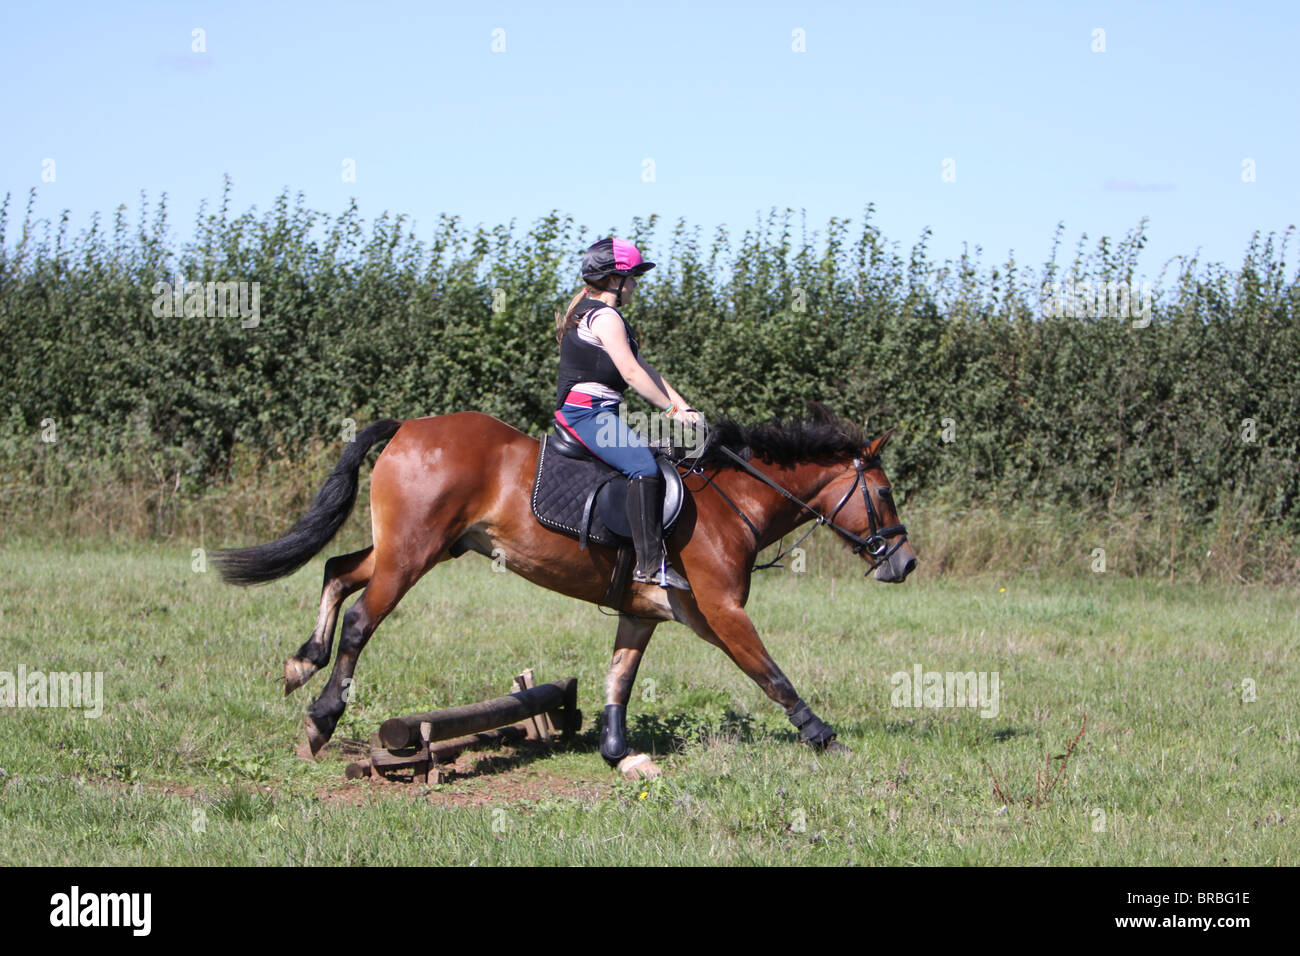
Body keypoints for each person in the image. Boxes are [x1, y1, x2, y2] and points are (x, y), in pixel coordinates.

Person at [553, 237, 702, 590]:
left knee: (658, 452)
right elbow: (632, 375)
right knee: (643, 466)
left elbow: (645, 367)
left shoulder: (595, 311)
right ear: (614, 280)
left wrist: (684, 405)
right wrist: (670, 410)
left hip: (598, 413)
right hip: (586, 415)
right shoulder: (604, 316)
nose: (635, 285)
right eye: (632, 278)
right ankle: (650, 566)